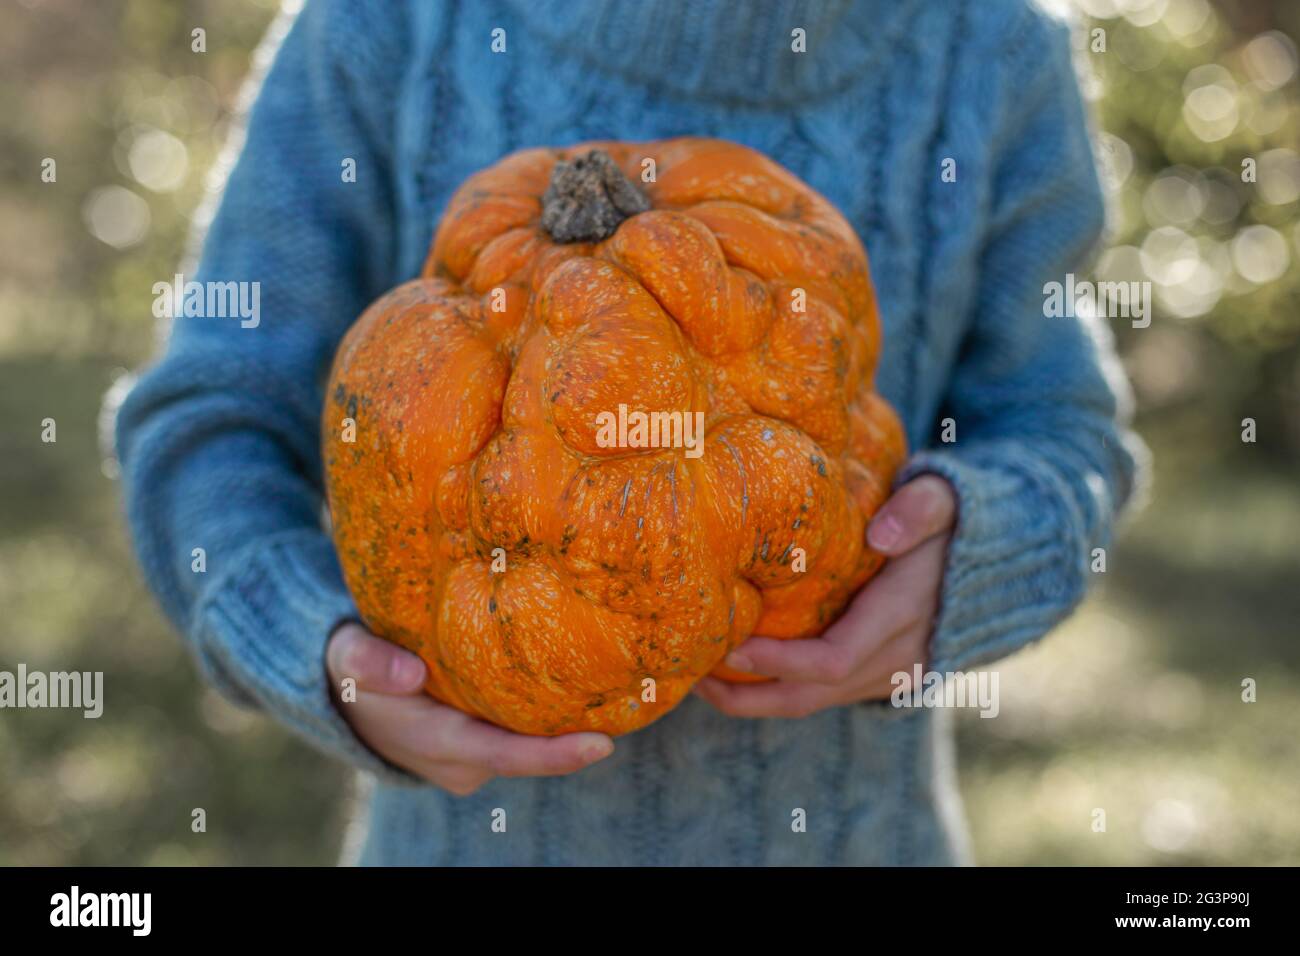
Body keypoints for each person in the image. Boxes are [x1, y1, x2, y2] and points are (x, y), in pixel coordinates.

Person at [115, 0, 1144, 865]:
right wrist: (315, 645)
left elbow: (1059, 426)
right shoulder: (388, 26)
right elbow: (213, 415)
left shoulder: (991, 50)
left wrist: (981, 550)